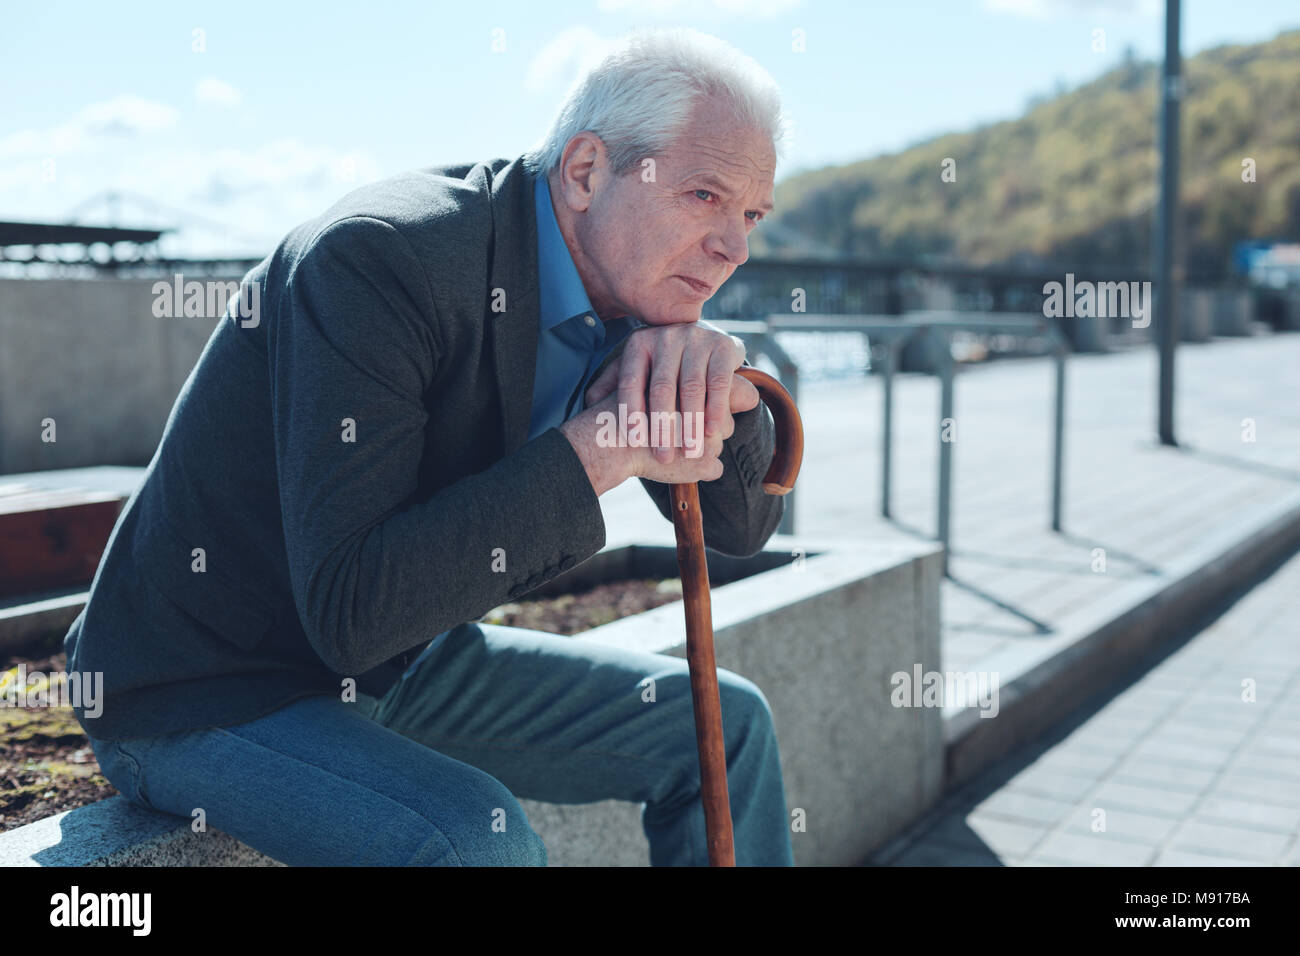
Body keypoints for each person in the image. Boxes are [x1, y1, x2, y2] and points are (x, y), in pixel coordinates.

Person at [64, 26, 794, 866]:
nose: (734, 246)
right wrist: (602, 447)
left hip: (404, 661)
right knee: (473, 842)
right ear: (588, 171)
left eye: (751, 214)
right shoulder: (377, 260)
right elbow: (353, 611)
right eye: (704, 196)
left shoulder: (636, 292)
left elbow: (739, 531)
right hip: (203, 686)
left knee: (727, 727)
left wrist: (711, 373)